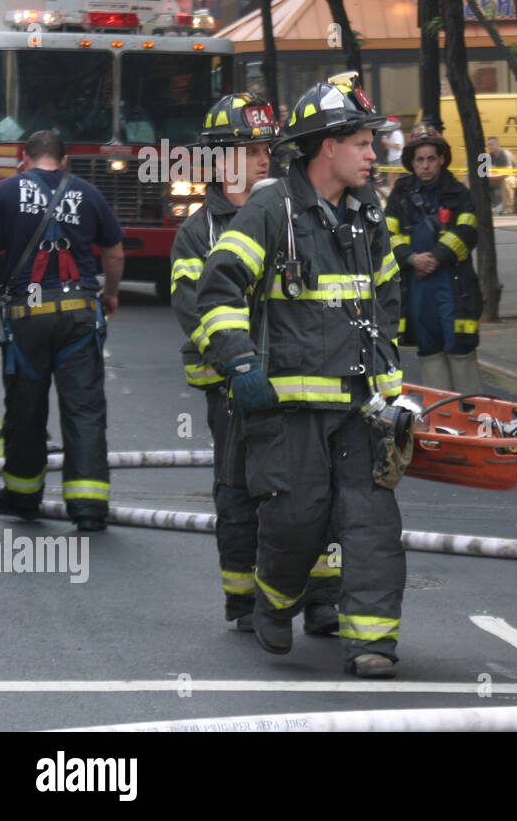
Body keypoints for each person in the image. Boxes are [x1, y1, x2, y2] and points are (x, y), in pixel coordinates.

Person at [193, 72, 407, 678]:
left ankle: (373, 645)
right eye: (364, 143)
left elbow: (387, 297)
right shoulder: (271, 208)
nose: (374, 154)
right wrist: (237, 361)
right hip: (289, 413)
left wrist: (391, 381)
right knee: (295, 522)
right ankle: (274, 599)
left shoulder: (369, 215)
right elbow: (218, 290)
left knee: (372, 527)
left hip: (362, 412)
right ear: (325, 147)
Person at [170, 92, 341, 634]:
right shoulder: (199, 234)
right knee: (240, 492)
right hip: (232, 393)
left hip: (299, 385)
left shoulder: (295, 217)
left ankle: (321, 600)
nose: (263, 159)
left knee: (314, 492)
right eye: (248, 150)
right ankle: (244, 601)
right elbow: (196, 312)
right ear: (219, 158)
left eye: (266, 148)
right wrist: (239, 365)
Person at [0, 130, 124, 531]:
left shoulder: (5, 193)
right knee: (84, 409)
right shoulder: (88, 193)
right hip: (80, 316)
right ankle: (89, 507)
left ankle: (24, 497)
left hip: (26, 317)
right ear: (64, 162)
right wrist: (110, 294)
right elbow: (114, 252)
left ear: (24, 159)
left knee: (26, 409)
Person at [386, 132, 483, 393]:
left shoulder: (458, 193)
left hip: (452, 284)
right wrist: (411, 258)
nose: (425, 165)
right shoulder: (401, 193)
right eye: (420, 160)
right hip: (417, 285)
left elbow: (469, 230)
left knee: (459, 344)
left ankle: (471, 414)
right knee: (428, 347)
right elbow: (386, 234)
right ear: (412, 162)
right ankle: (442, 421)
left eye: (431, 158)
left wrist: (436, 256)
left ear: (442, 160)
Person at [486, 136, 517, 214]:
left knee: (506, 181)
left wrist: (490, 177)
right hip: (498, 178)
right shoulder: (490, 156)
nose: (489, 147)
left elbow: (508, 173)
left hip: (516, 179)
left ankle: (508, 209)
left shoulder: (505, 154)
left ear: (497, 144)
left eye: (491, 144)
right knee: (480, 182)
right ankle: (484, 207)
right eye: (488, 145)